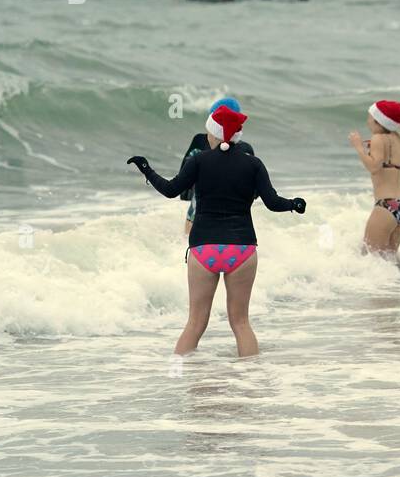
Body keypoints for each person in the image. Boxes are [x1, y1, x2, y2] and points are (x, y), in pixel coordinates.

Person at [128, 104, 306, 357]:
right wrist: (294, 204)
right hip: (242, 249)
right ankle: (251, 382)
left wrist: (147, 169)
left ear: (214, 133)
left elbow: (171, 190)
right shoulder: (253, 164)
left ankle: (180, 379)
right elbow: (272, 202)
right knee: (241, 323)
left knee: (195, 324)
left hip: (204, 249)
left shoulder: (198, 160)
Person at [179, 97, 255, 238]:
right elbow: (253, 189)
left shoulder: (200, 141)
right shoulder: (246, 150)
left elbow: (184, 174)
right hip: (236, 219)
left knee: (191, 249)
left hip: (198, 215)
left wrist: (185, 194)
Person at [348, 100, 400, 257]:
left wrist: (359, 148)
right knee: (388, 261)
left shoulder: (377, 138)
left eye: (370, 118)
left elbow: (374, 167)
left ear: (379, 121)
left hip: (386, 206)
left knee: (369, 257)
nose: (368, 121)